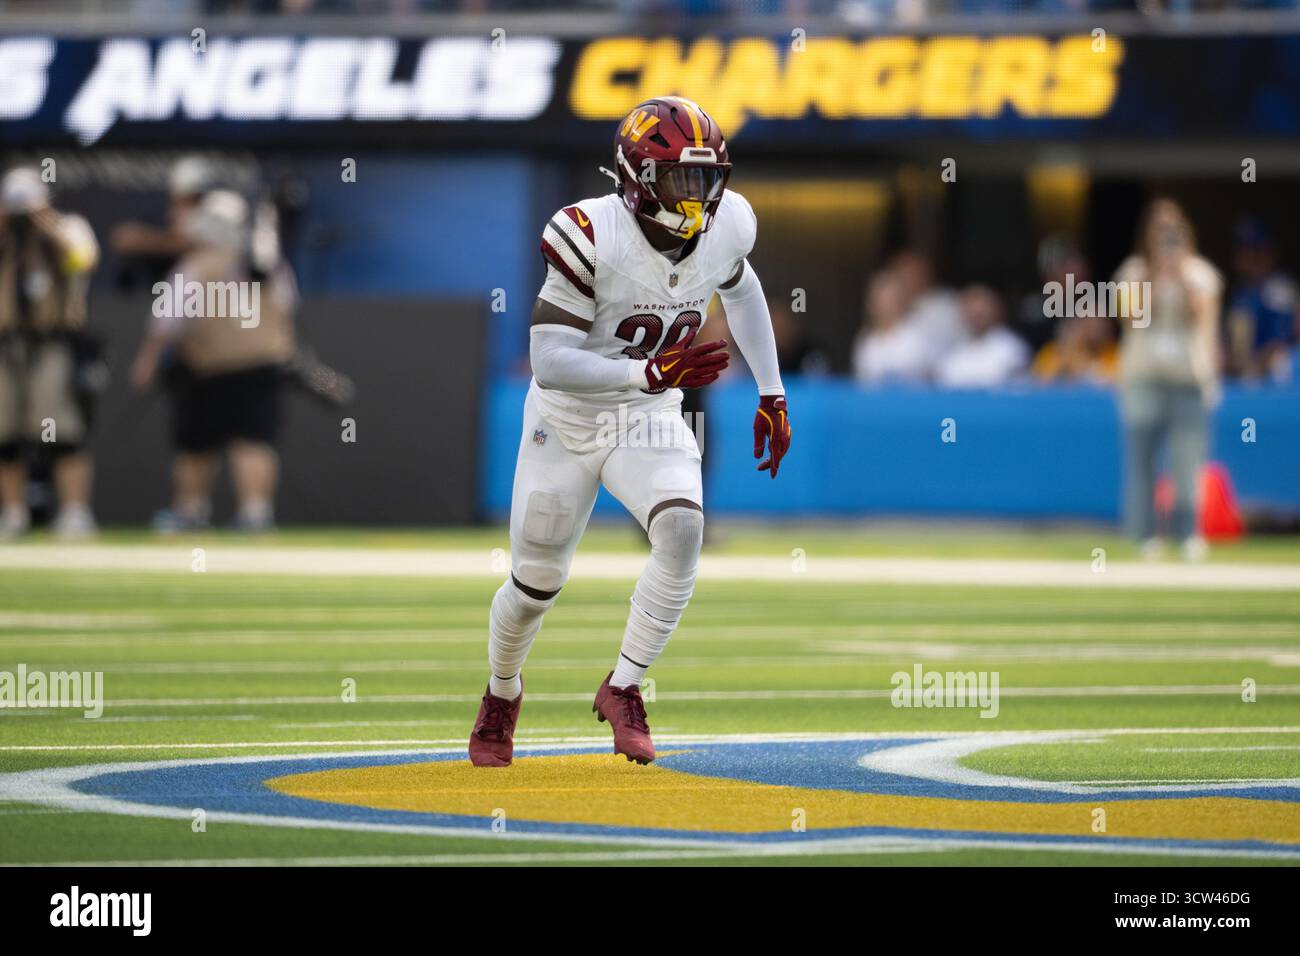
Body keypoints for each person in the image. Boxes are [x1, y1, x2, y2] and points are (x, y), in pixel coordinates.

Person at [468, 97, 790, 767]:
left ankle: (624, 687)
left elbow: (742, 287)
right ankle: (502, 692)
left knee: (680, 528)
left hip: (645, 415)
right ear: (639, 178)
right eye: (679, 178)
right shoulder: (590, 232)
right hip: (566, 419)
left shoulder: (728, 226)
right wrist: (648, 372)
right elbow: (550, 360)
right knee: (534, 586)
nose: (696, 196)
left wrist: (771, 389)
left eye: (705, 179)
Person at [129, 190, 297, 533]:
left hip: (209, 367)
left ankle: (191, 510)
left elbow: (167, 322)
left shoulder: (196, 267)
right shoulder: (270, 263)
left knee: (197, 444)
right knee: (252, 439)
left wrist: (147, 361)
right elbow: (288, 306)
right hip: (262, 364)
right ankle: (255, 513)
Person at [1114, 198, 1222, 561]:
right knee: (1142, 459)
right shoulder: (1132, 271)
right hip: (1145, 376)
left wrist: (1179, 275)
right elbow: (1132, 318)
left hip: (1188, 377)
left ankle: (1187, 533)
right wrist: (1153, 276)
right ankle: (1145, 534)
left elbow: (1200, 316)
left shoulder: (1200, 273)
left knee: (1187, 460)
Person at [0, 168, 100, 539]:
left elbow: (84, 260)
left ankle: (75, 511)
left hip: (52, 343)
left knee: (60, 430)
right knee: (5, 434)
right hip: (7, 345)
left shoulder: (67, 227)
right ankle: (12, 512)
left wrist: (47, 227)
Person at [1224, 218, 1297, 380]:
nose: (1240, 254)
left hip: (1272, 372)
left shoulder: (1280, 288)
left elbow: (1281, 341)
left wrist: (1253, 364)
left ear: (1264, 252)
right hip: (1242, 369)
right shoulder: (1242, 291)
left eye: (1247, 249)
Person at [934, 285, 1029, 387]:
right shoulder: (952, 350)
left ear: (996, 310)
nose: (975, 316)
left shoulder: (1012, 348)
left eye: (981, 311)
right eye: (970, 310)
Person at [852, 268, 931, 384]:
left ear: (900, 300)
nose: (884, 306)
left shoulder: (918, 338)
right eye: (879, 300)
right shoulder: (866, 342)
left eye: (889, 300)